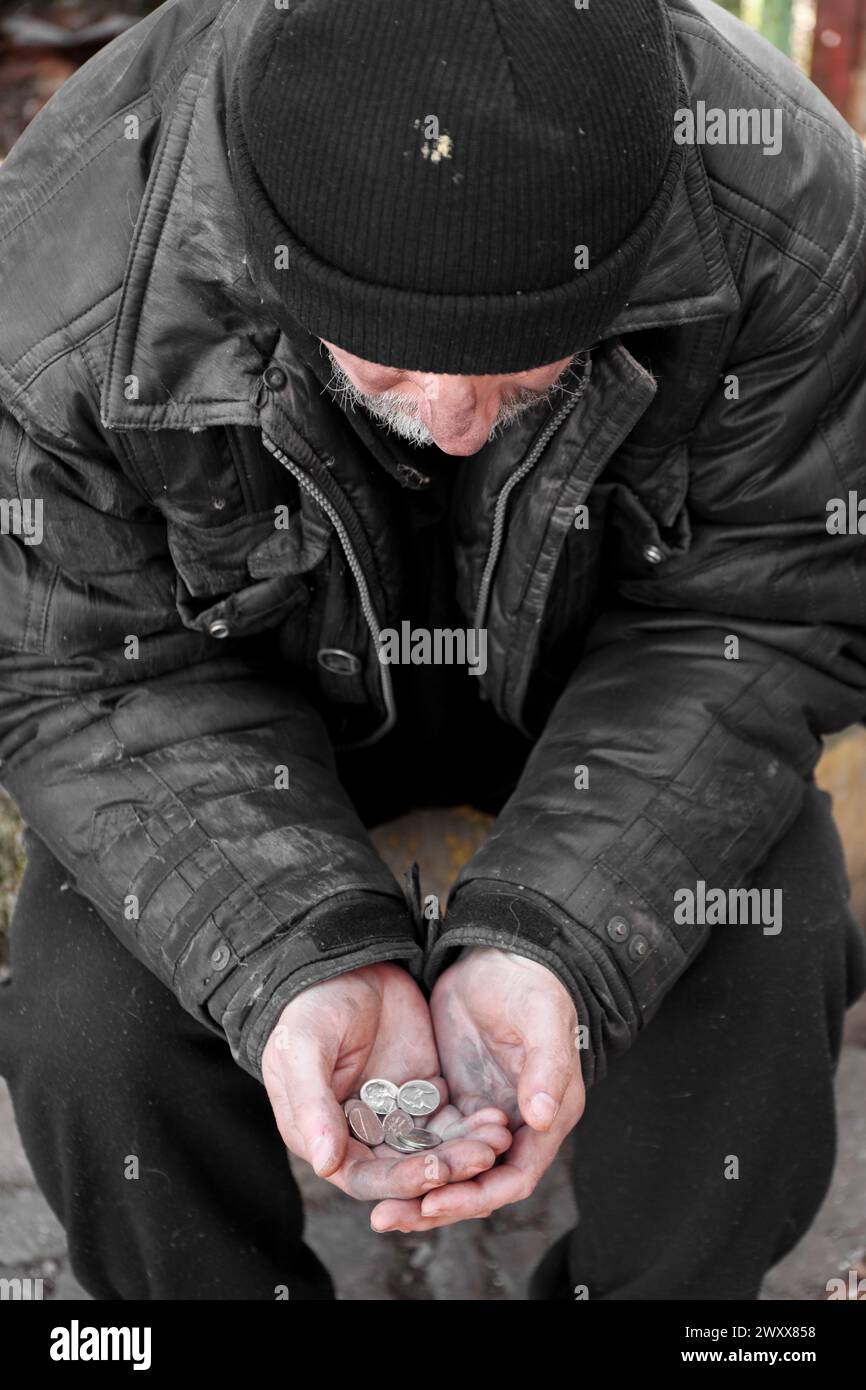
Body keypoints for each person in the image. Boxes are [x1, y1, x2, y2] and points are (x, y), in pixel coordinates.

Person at [0, 0, 865, 1301]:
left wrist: (551, 940)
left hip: (604, 699)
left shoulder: (788, 212)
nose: (456, 423)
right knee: (84, 1010)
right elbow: (81, 674)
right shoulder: (56, 271)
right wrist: (293, 952)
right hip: (242, 716)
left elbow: (766, 614)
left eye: (523, 373)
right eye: (393, 372)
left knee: (769, 924)